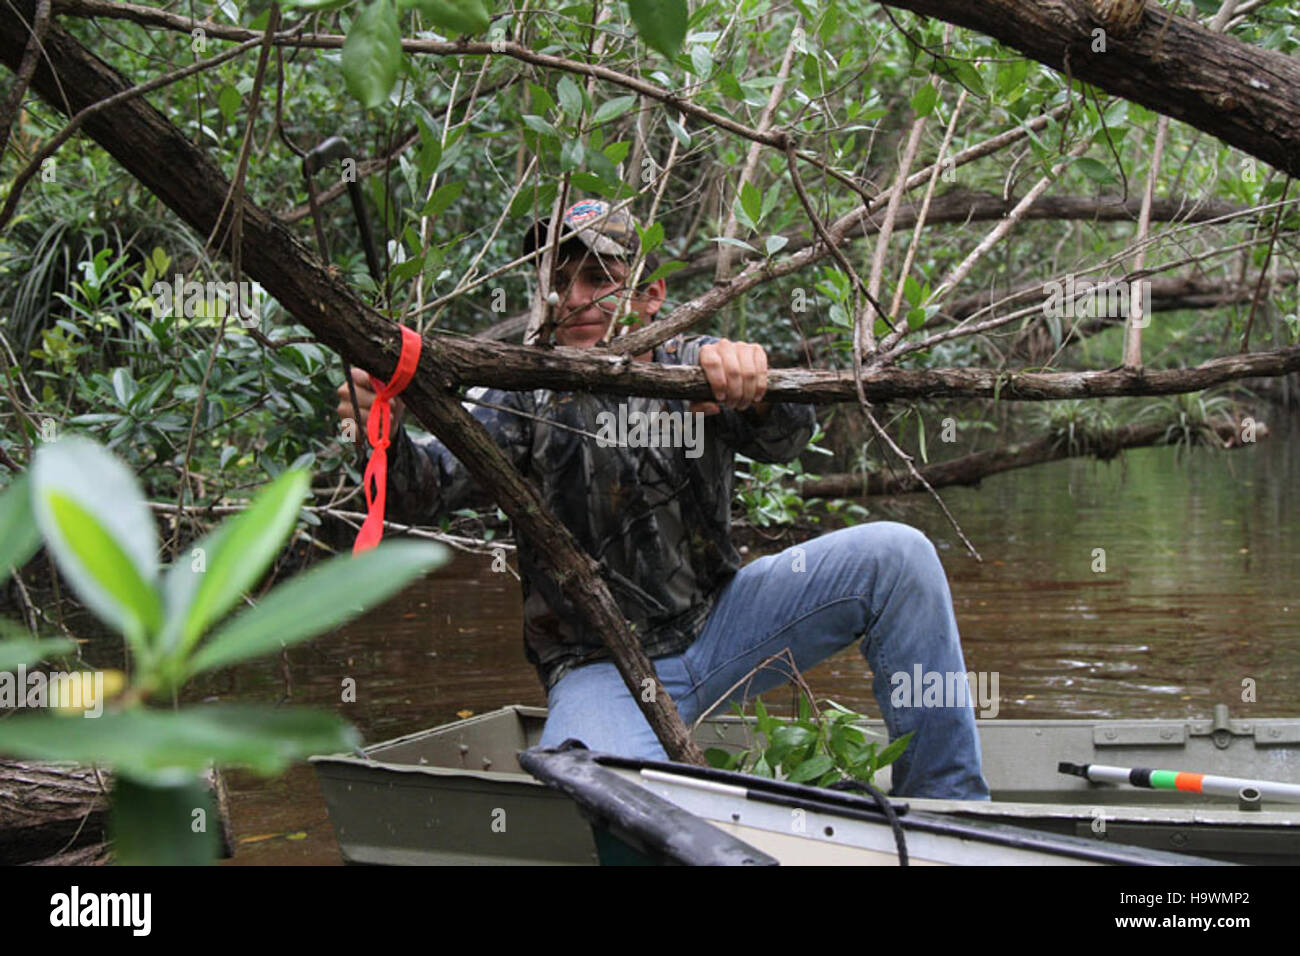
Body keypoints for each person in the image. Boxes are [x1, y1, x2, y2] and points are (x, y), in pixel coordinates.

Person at [336, 198, 990, 799]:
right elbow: (424, 492)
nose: (574, 299)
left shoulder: (690, 363)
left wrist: (756, 388)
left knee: (898, 558)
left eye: (597, 278)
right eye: (559, 282)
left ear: (651, 295)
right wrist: (381, 436)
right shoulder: (518, 392)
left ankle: (949, 808)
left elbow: (791, 438)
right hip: (599, 668)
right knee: (609, 795)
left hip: (725, 627)